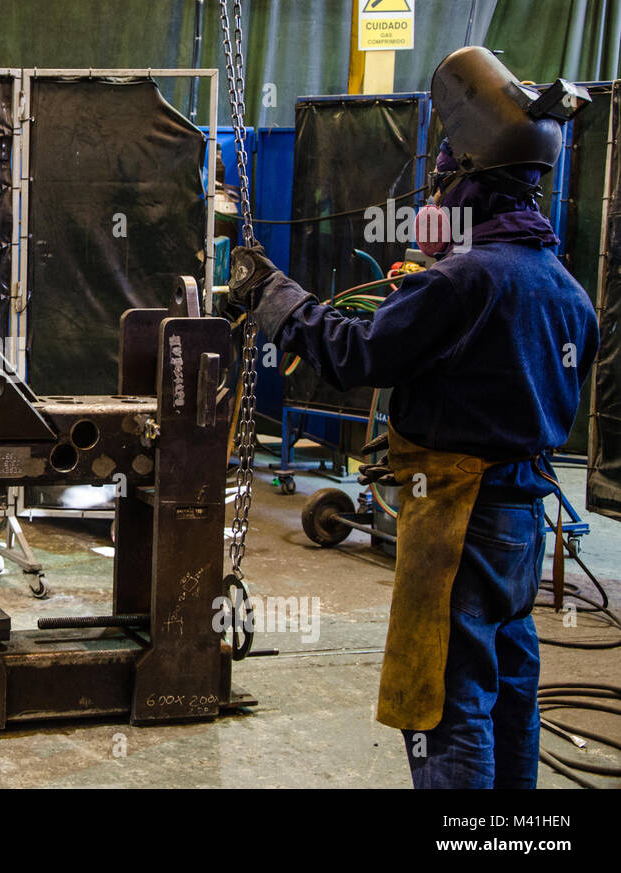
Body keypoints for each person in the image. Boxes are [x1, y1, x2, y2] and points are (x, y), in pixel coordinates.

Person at [228, 46, 598, 788]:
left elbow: (356, 355)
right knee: (508, 693)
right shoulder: (567, 291)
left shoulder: (464, 281)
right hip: (523, 523)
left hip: (458, 521)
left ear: (466, 180)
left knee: (446, 699)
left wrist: (272, 296)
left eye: (443, 177)